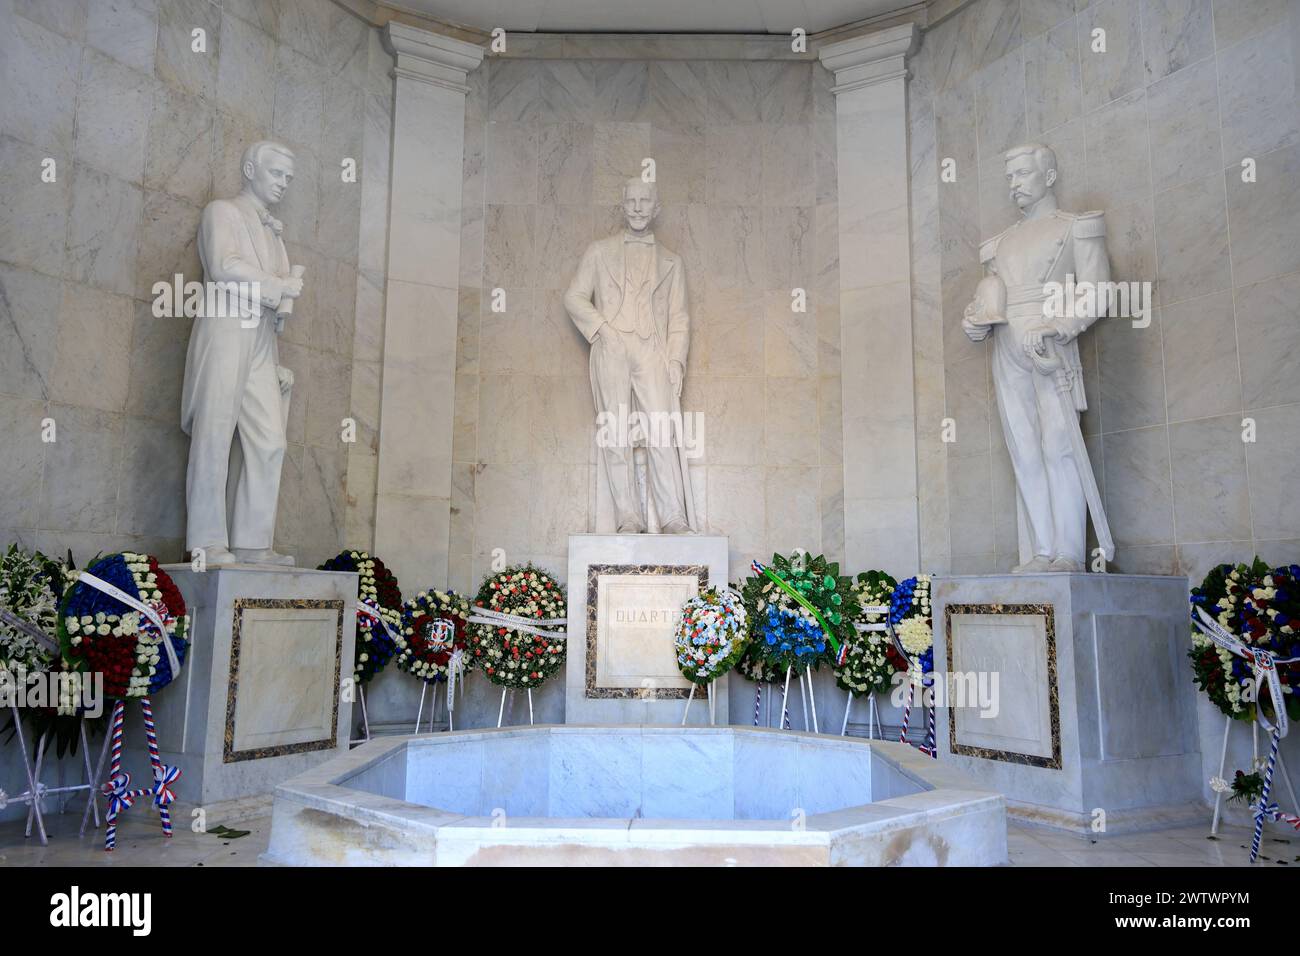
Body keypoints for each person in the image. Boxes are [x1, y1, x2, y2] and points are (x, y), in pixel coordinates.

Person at [181, 141, 303, 566]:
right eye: (276, 174)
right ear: (250, 168)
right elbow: (222, 265)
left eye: (289, 177)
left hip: (261, 341)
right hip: (227, 329)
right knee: (214, 433)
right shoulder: (222, 211)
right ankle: (206, 541)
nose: (283, 183)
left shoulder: (274, 231)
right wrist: (279, 287)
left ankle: (253, 544)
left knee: (270, 441)